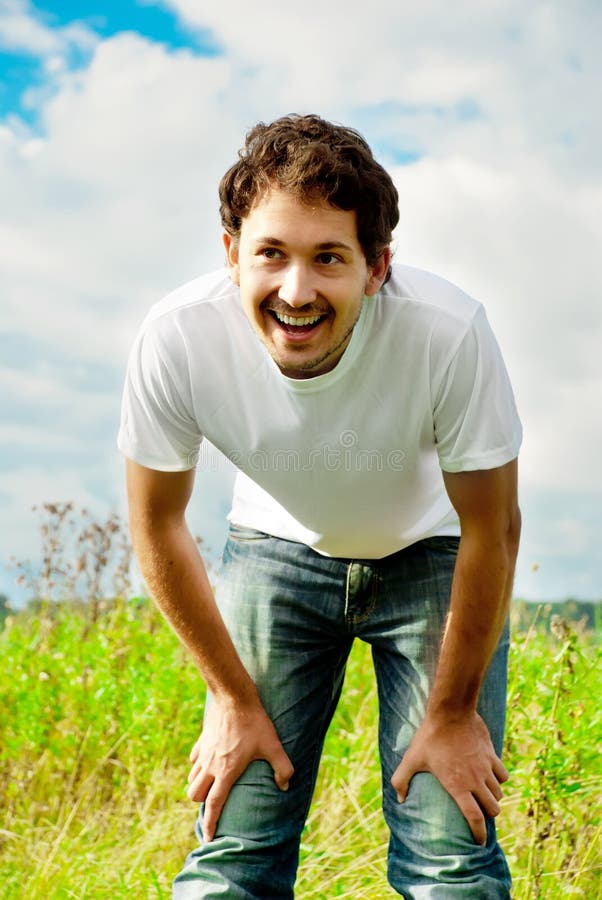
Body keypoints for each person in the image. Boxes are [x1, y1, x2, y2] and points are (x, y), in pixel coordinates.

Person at [118, 113, 522, 899]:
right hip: (275, 553)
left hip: (434, 557)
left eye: (328, 258)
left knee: (451, 860)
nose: (296, 291)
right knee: (235, 850)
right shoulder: (176, 338)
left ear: (377, 268)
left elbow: (492, 527)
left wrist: (453, 714)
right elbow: (157, 520)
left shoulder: (448, 332)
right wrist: (233, 699)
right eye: (271, 254)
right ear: (233, 254)